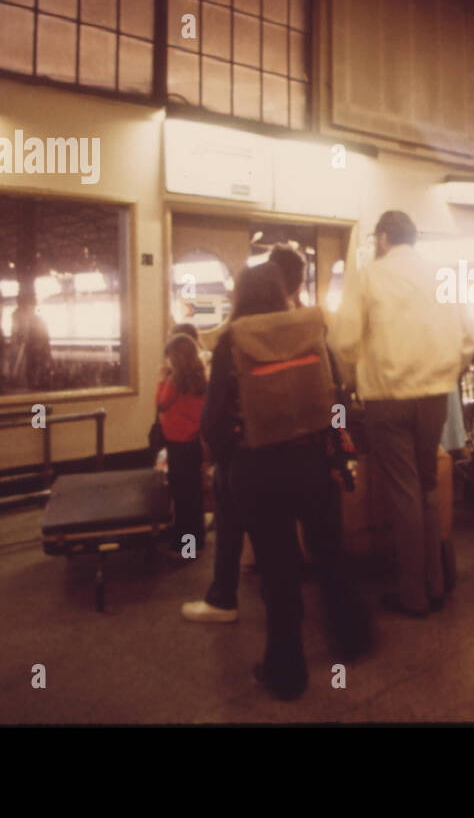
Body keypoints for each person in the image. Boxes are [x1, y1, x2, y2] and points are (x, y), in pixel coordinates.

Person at [202, 260, 370, 700]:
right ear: (281, 294)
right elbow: (337, 396)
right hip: (312, 459)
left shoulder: (231, 343)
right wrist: (337, 450)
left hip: (258, 471)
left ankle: (287, 671)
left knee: (279, 571)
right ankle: (352, 637)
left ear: (240, 298)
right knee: (329, 552)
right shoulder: (312, 330)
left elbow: (213, 421)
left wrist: (226, 460)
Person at [328, 211, 474, 618]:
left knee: (405, 491)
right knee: (427, 484)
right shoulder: (441, 275)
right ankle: (436, 583)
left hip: (387, 398)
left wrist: (353, 375)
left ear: (383, 238)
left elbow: (343, 340)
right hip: (433, 396)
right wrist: (447, 372)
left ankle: (413, 595)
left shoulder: (369, 275)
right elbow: (469, 339)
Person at [183, 245, 305, 622]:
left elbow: (213, 415)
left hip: (248, 459)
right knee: (280, 546)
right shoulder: (299, 334)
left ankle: (228, 602)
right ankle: (227, 596)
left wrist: (218, 455)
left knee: (236, 512)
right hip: (296, 455)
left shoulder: (232, 342)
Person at [156, 332, 208, 555]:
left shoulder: (172, 382)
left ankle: (185, 545)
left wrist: (161, 380)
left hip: (177, 444)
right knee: (194, 494)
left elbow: (160, 404)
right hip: (194, 443)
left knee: (181, 495)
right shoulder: (202, 380)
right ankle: (197, 540)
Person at [12, 293, 52, 390]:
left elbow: (19, 334)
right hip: (35, 350)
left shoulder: (26, 318)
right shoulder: (38, 320)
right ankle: (35, 385)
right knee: (33, 370)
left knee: (32, 369)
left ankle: (34, 385)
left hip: (34, 349)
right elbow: (45, 338)